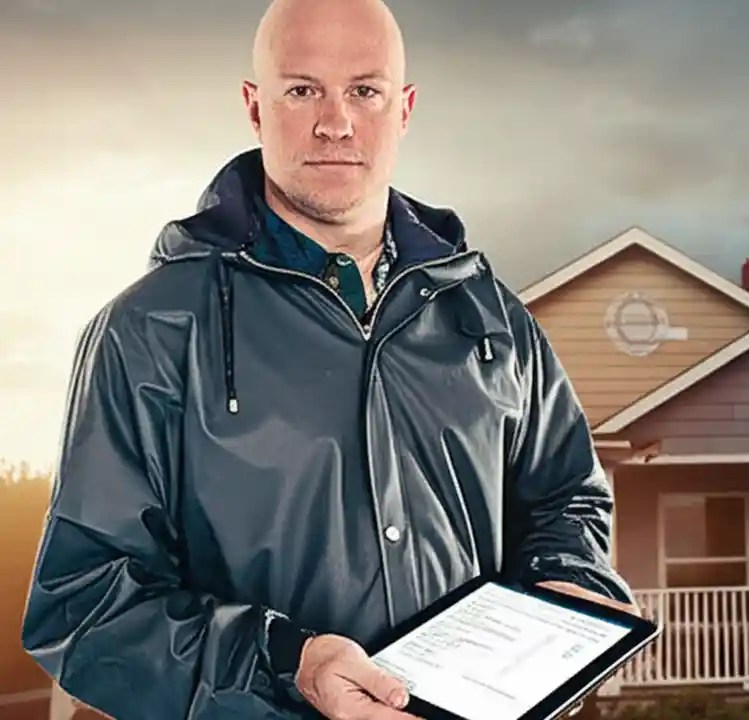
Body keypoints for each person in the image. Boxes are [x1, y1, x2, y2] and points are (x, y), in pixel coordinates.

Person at [20, 0, 636, 718]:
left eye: (364, 91)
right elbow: (82, 604)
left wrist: (566, 588)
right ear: (255, 106)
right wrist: (286, 663)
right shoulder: (147, 330)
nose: (336, 122)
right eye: (303, 89)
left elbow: (568, 501)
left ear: (404, 108)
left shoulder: (494, 319)